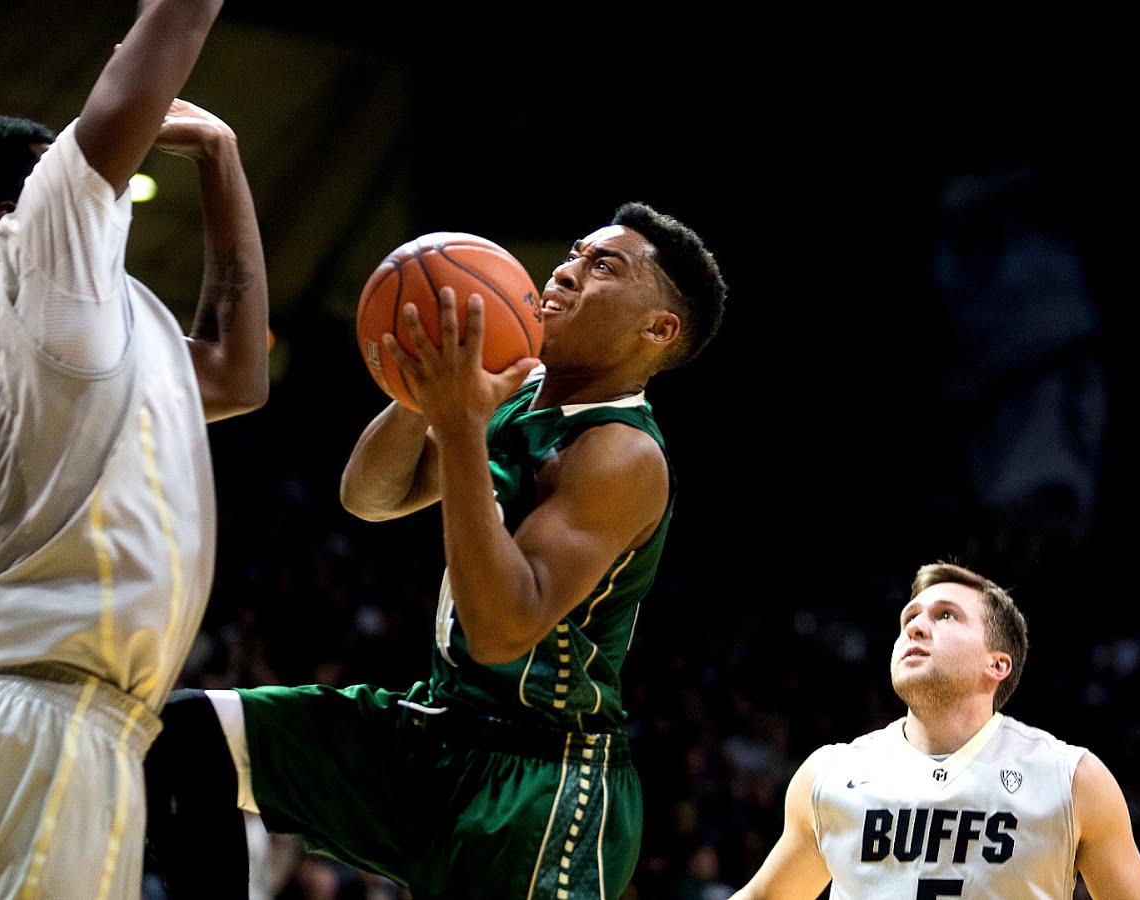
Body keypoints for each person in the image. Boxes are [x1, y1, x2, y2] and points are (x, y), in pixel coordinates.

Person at [143, 201, 727, 899]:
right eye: (574, 253)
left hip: (542, 780)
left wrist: (457, 425)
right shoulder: (519, 387)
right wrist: (418, 390)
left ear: (657, 329)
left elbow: (503, 627)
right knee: (181, 737)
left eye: (604, 266)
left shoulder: (620, 453)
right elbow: (369, 496)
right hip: (435, 729)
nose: (568, 271)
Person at [0, 0, 268, 896]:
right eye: (59, 167)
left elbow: (236, 374)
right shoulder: (29, 263)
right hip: (44, 723)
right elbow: (174, 26)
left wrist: (222, 156)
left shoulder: (44, 336)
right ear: (18, 204)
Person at [730, 561, 1140, 900]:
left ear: (996, 664)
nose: (915, 627)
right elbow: (766, 895)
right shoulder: (827, 775)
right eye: (910, 618)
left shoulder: (1073, 779)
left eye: (946, 616)